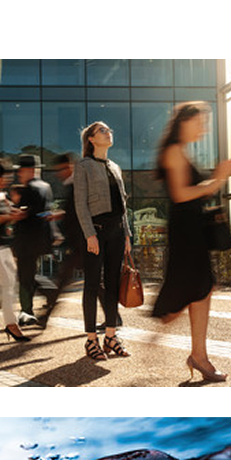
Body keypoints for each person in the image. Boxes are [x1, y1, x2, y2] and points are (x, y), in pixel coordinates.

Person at [152, 101, 231, 382]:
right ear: (184, 122)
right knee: (196, 289)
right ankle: (169, 338)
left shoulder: (181, 152)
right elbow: (181, 194)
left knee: (202, 288)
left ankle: (197, 355)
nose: (204, 129)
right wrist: (217, 179)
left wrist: (217, 178)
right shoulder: (174, 152)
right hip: (186, 233)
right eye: (200, 122)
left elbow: (190, 194)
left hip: (191, 230)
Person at [74, 121, 132, 362]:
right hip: (96, 232)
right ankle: (91, 340)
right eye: (103, 131)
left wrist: (127, 234)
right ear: (91, 139)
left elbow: (123, 206)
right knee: (91, 285)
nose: (109, 133)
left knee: (112, 284)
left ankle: (110, 336)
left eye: (110, 130)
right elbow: (80, 204)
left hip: (117, 232)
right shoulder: (84, 166)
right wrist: (89, 234)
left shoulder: (115, 167)